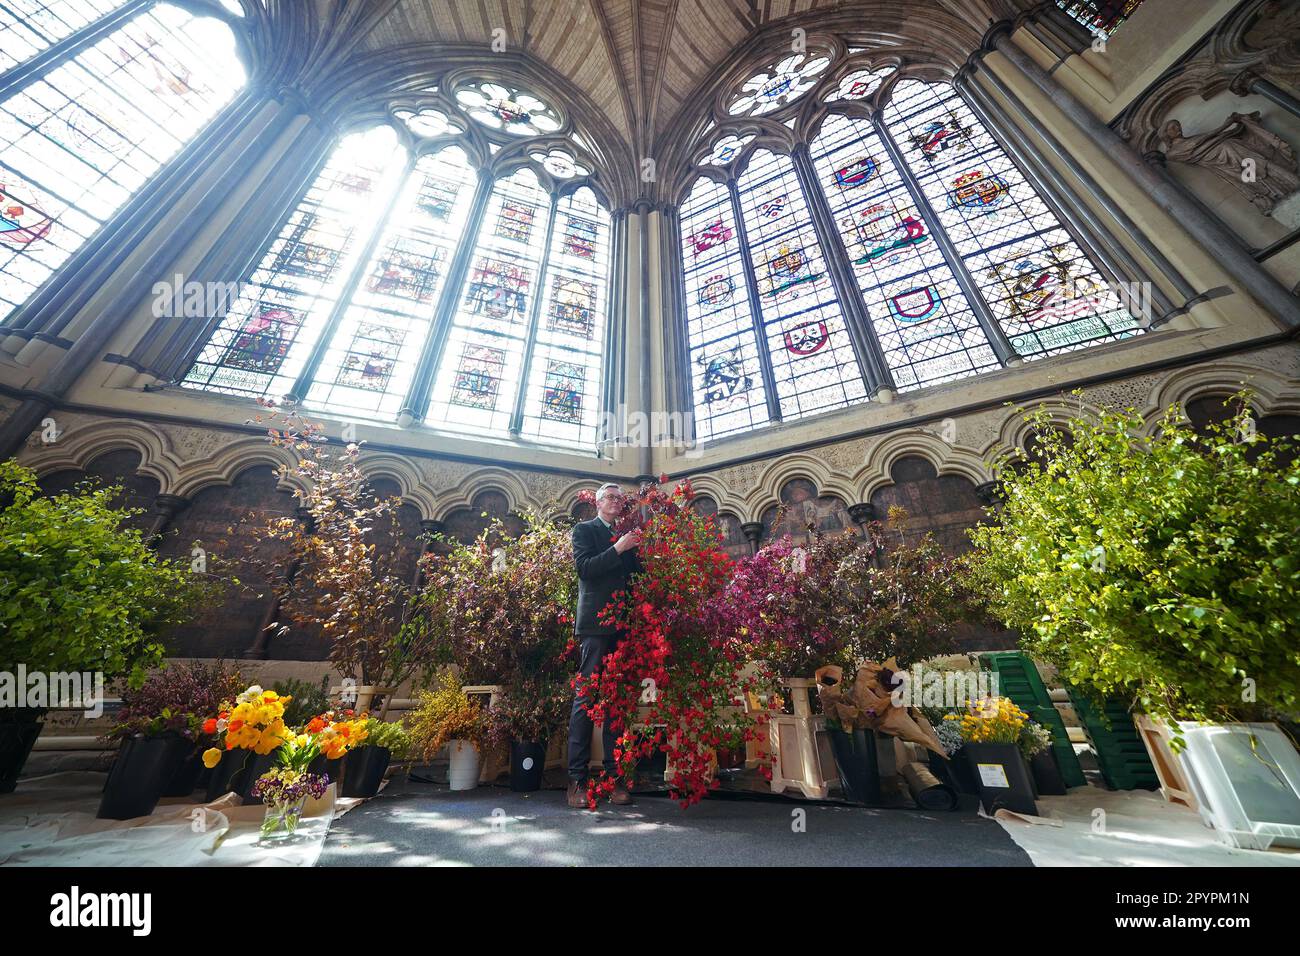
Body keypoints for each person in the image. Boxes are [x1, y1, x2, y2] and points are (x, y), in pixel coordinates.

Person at [566, 482, 642, 809]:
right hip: (595, 626)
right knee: (586, 699)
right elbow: (585, 569)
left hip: (622, 627)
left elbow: (635, 579)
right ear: (597, 503)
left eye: (620, 499)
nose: (616, 501)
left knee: (616, 701)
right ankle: (576, 781)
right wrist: (618, 549)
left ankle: (616, 780)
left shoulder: (626, 537)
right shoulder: (584, 530)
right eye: (610, 497)